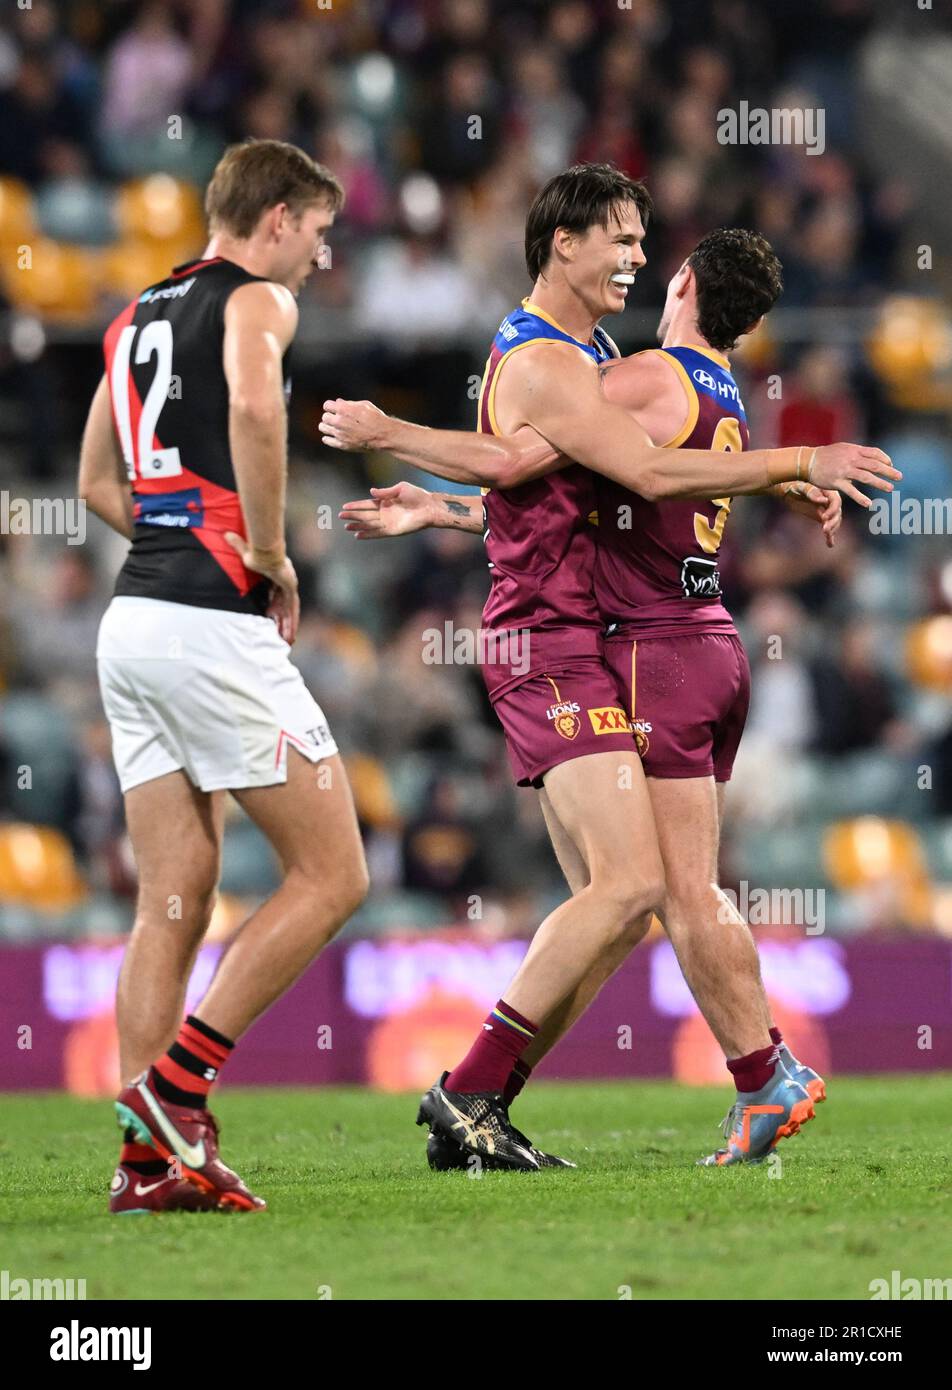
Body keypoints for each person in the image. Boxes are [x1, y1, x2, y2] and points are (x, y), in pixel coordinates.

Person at [320, 166, 898, 1170]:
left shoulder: (602, 357)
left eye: (644, 243)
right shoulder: (556, 357)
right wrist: (404, 456)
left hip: (615, 639)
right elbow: (585, 476)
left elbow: (558, 486)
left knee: (630, 896)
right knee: (636, 889)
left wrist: (422, 485)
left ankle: (482, 1101)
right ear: (561, 244)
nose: (635, 255)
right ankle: (481, 1096)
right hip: (562, 636)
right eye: (619, 239)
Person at [79, 138, 369, 1213]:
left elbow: (93, 479)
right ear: (278, 216)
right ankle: (176, 1090)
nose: (322, 257)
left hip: (134, 620)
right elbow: (254, 409)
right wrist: (267, 552)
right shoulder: (255, 305)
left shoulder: (133, 314)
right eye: (320, 232)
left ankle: (144, 1165)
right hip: (208, 621)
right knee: (335, 874)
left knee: (171, 899)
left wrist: (174, 535)